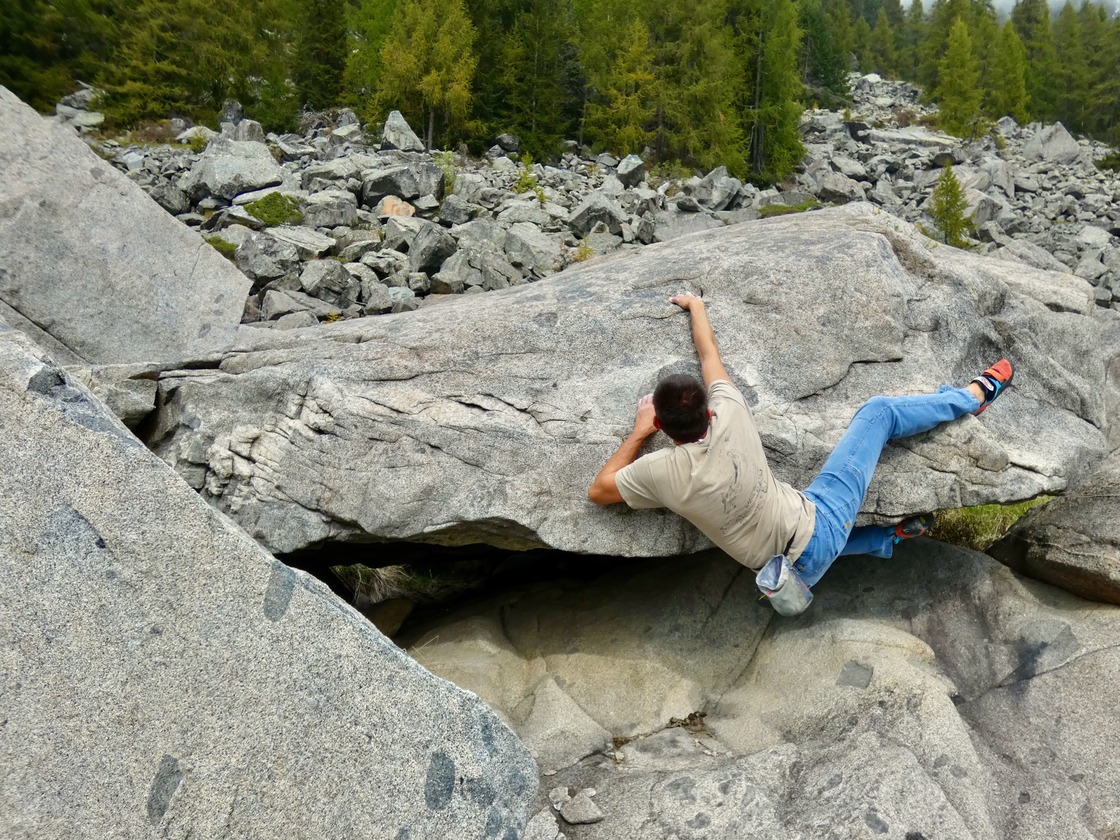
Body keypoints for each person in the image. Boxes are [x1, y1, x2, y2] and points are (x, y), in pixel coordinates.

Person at [588, 293, 1014, 589]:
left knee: (802, 526)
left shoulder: (662, 473)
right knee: (879, 412)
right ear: (710, 412)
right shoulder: (731, 413)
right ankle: (971, 397)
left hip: (787, 577)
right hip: (819, 526)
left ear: (663, 425)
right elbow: (709, 356)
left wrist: (640, 430)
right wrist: (696, 306)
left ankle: (887, 538)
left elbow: (599, 491)